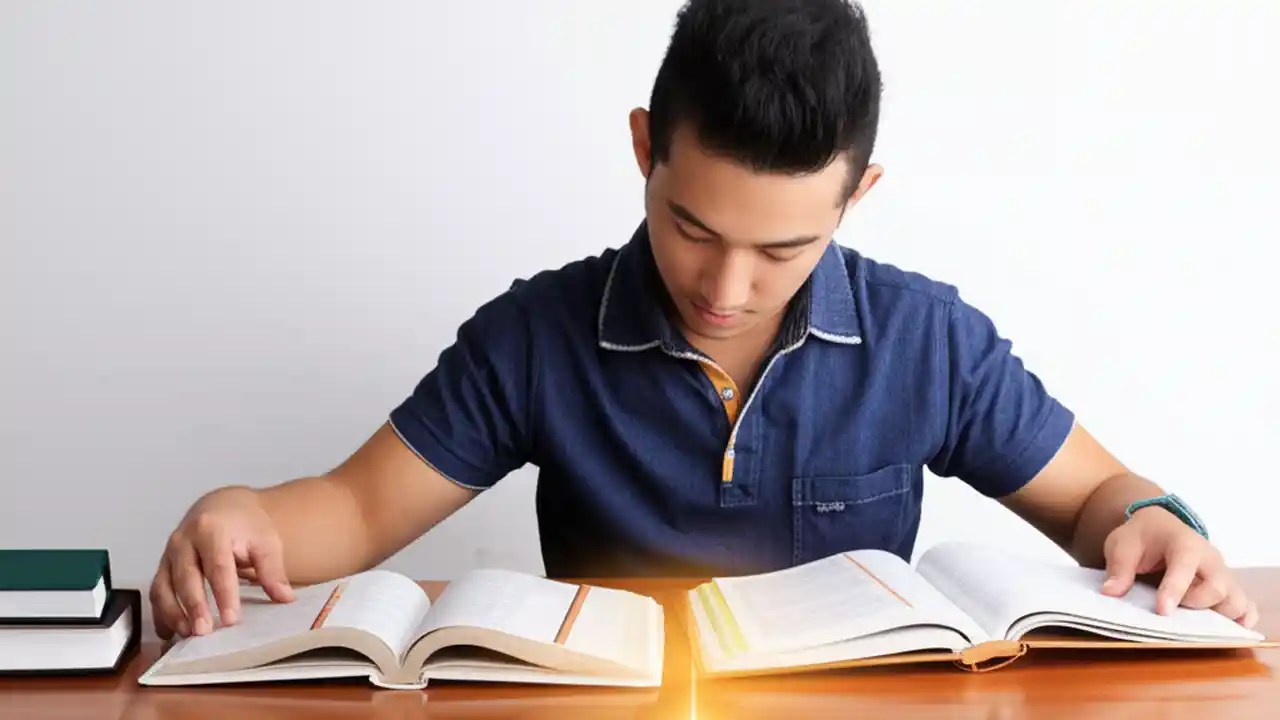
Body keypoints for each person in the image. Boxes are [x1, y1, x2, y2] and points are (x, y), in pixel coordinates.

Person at [149, 0, 1257, 639]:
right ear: (643, 149)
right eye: (689, 227)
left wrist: (1153, 515)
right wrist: (242, 511)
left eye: (782, 250)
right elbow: (351, 508)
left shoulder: (928, 340)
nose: (724, 288)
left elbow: (1094, 500)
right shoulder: (535, 335)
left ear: (854, 197)